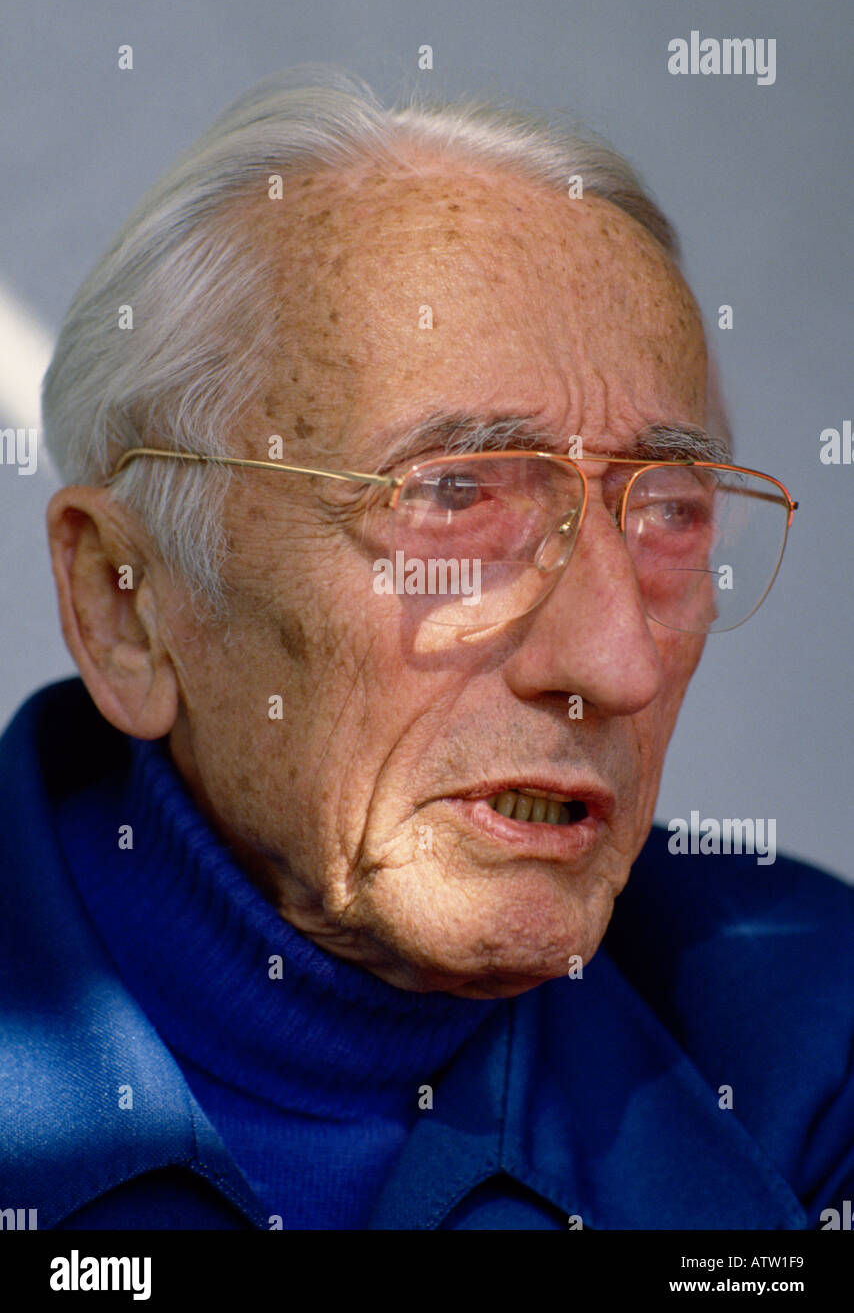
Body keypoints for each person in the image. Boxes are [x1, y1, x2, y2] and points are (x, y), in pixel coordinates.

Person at [1, 68, 851, 1231]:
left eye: (664, 511)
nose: (616, 664)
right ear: (127, 601)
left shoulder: (806, 1036)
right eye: (453, 493)